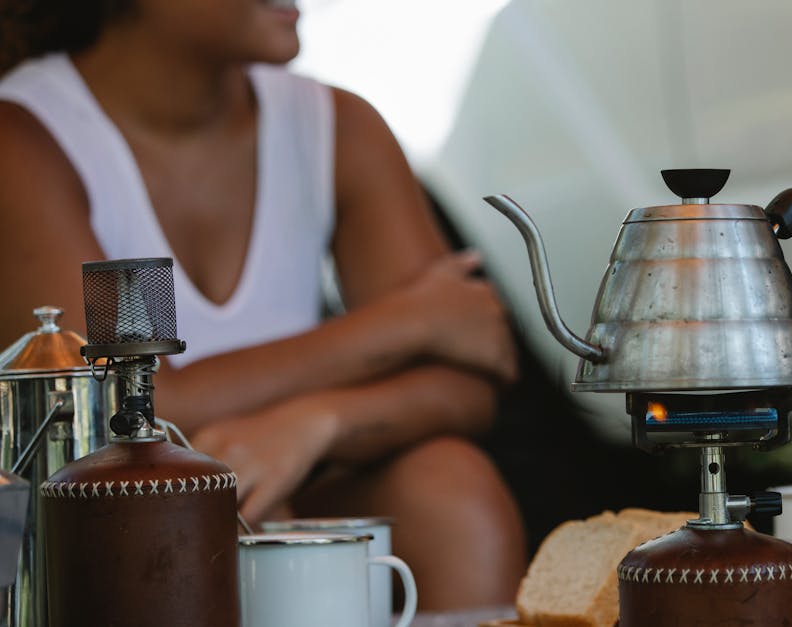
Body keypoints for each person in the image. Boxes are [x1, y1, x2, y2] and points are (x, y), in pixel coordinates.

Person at [0, 0, 526, 609]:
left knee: (452, 490)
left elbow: (468, 379)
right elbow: (141, 406)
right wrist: (405, 323)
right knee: (209, 501)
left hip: (276, 495)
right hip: (105, 531)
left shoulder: (335, 126)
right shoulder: (30, 140)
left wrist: (316, 425)